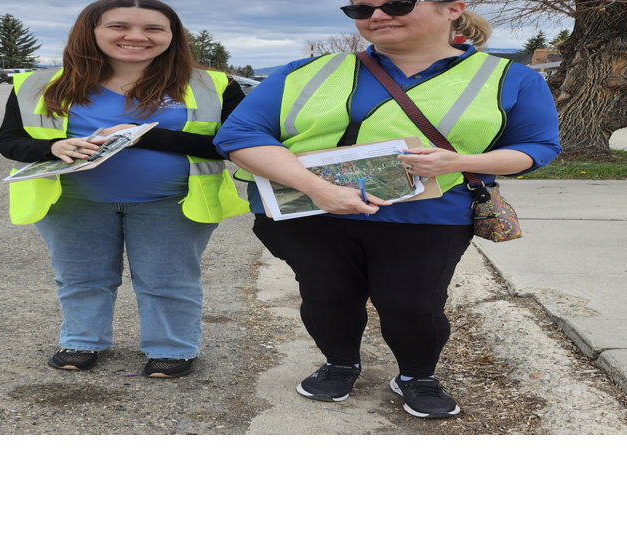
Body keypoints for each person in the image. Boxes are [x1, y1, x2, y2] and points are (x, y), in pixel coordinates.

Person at [214, 0, 561, 418]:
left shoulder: (511, 77)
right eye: (360, 8)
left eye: (396, 3)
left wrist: (462, 162)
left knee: (413, 305)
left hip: (430, 217)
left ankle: (417, 375)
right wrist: (315, 188)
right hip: (313, 213)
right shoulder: (304, 72)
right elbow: (238, 134)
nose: (376, 15)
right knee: (327, 297)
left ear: (452, 8)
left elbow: (537, 147)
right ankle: (340, 363)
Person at [0, 0, 248, 378]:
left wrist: (148, 136)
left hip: (173, 202)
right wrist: (51, 147)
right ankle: (81, 340)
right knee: (81, 277)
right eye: (119, 26)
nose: (136, 37)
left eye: (153, 28)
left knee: (168, 279)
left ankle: (172, 348)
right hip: (73, 202)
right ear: (91, 30)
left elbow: (238, 142)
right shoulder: (38, 83)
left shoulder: (213, 84)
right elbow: (9, 140)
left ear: (172, 35)